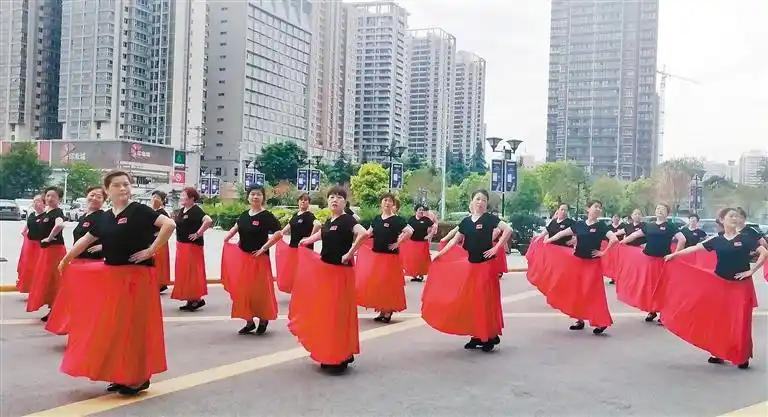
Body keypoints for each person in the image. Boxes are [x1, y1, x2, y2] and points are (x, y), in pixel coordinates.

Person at [57, 170, 175, 396]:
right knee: (114, 328)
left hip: (137, 277)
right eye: (118, 185)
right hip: (113, 277)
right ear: (108, 190)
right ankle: (122, 374)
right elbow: (86, 239)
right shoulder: (105, 217)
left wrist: (151, 250)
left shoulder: (139, 210)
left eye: (126, 184)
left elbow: (169, 225)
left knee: (134, 328)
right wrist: (67, 258)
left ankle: (139, 377)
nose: (123, 188)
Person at [664, 207, 767, 369]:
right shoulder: (717, 240)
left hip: (741, 286)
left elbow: (763, 252)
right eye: (731, 216)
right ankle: (718, 352)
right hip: (720, 284)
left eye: (736, 216)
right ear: (722, 220)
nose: (735, 218)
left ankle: (742, 355)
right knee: (719, 319)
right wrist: (674, 255)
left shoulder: (745, 238)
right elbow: (695, 248)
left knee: (740, 321)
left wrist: (751, 271)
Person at [290, 186, 368, 374]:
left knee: (338, 314)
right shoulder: (328, 220)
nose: (335, 200)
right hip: (326, 271)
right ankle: (330, 351)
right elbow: (322, 234)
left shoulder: (348, 220)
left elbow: (363, 234)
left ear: (345, 202)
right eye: (332, 197)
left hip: (341, 273)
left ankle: (341, 354)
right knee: (326, 313)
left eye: (339, 197)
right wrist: (307, 240)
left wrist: (349, 253)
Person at [425, 189, 512, 352]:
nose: (480, 202)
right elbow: (455, 240)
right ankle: (476, 334)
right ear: (472, 202)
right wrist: (440, 253)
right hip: (471, 266)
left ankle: (488, 336)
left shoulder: (490, 219)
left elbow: (508, 230)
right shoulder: (466, 222)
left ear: (486, 204)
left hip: (486, 267)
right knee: (471, 301)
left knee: (484, 301)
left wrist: (497, 248)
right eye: (477, 199)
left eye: (484, 200)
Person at [536, 200, 619, 334]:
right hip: (578, 262)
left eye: (600, 207)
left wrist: (603, 252)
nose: (598, 209)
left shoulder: (601, 226)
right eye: (595, 207)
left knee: (593, 293)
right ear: (588, 209)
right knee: (577, 291)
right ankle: (579, 320)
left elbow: (614, 239)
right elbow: (562, 234)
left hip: (593, 264)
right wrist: (549, 240)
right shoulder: (579, 225)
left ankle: (601, 322)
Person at [45, 186, 106, 335]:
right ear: (86, 196)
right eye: (92, 195)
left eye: (99, 196)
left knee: (87, 300)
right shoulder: (84, 216)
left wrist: (103, 246)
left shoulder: (103, 217)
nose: (94, 198)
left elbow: (116, 235)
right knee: (74, 298)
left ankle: (87, 330)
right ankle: (75, 328)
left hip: (92, 263)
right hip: (79, 261)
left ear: (104, 200)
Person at [223, 185, 283, 335]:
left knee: (260, 292)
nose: (255, 197)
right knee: (243, 291)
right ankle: (249, 321)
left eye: (259, 194)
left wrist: (264, 248)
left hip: (260, 259)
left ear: (263, 197)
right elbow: (236, 227)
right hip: (244, 258)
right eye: (253, 194)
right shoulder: (244, 215)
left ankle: (263, 319)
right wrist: (226, 239)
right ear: (248, 197)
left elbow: (278, 234)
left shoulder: (266, 216)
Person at [620, 204, 686, 323]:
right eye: (658, 209)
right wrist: (623, 242)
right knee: (650, 287)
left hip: (663, 261)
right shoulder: (649, 226)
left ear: (667, 213)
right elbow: (634, 235)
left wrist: (674, 255)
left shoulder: (671, 226)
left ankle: (664, 313)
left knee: (662, 287)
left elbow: (682, 240)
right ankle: (652, 310)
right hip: (649, 261)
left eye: (663, 209)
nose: (659, 211)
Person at [357, 193, 412, 323]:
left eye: (390, 201)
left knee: (388, 285)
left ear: (393, 204)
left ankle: (388, 311)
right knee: (378, 284)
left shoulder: (397, 220)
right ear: (381, 203)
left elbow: (409, 231)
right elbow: (368, 233)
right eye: (385, 200)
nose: (387, 203)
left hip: (390, 258)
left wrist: (398, 243)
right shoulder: (376, 219)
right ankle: (381, 310)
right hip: (377, 257)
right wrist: (357, 242)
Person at [27, 187, 67, 322]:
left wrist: (49, 238)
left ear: (59, 199)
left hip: (55, 251)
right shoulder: (46, 212)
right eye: (48, 196)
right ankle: (52, 308)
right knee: (46, 281)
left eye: (53, 196)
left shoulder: (57, 212)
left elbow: (60, 225)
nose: (50, 198)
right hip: (46, 251)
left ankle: (57, 310)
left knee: (54, 280)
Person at [172, 187, 213, 311]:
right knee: (184, 272)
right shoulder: (181, 211)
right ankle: (191, 299)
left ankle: (197, 298)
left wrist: (198, 233)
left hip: (192, 247)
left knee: (192, 272)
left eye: (184, 195)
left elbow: (208, 220)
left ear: (191, 198)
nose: (181, 197)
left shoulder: (196, 210)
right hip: (181, 245)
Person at [275, 193, 321, 294]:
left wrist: (309, 238)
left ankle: (305, 291)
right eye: (301, 200)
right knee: (294, 270)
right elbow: (289, 226)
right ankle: (297, 290)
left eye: (305, 200)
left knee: (304, 271)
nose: (303, 202)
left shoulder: (309, 216)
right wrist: (281, 233)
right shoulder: (296, 215)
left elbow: (318, 225)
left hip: (304, 249)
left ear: (309, 203)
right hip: (293, 248)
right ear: (298, 202)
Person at [17, 194, 45, 293]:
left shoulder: (47, 215)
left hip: (40, 245)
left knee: (37, 267)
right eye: (34, 201)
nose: (35, 204)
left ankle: (38, 289)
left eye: (38, 201)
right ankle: (28, 287)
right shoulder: (32, 214)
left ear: (44, 203)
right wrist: (24, 230)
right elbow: (29, 224)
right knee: (27, 267)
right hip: (29, 244)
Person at [401, 204, 434, 282]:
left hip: (423, 243)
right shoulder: (411, 219)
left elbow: (434, 226)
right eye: (420, 210)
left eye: (422, 210)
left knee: (422, 259)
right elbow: (406, 229)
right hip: (413, 243)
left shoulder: (426, 219)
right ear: (416, 211)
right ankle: (414, 275)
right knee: (414, 259)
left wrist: (429, 235)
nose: (421, 211)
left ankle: (421, 275)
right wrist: (402, 237)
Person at [150, 190, 172, 292]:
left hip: (160, 241)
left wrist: (159, 234)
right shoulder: (150, 211)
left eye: (158, 198)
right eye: (153, 197)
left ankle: (159, 283)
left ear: (163, 201)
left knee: (159, 262)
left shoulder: (163, 213)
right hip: (151, 241)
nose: (155, 199)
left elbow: (169, 226)